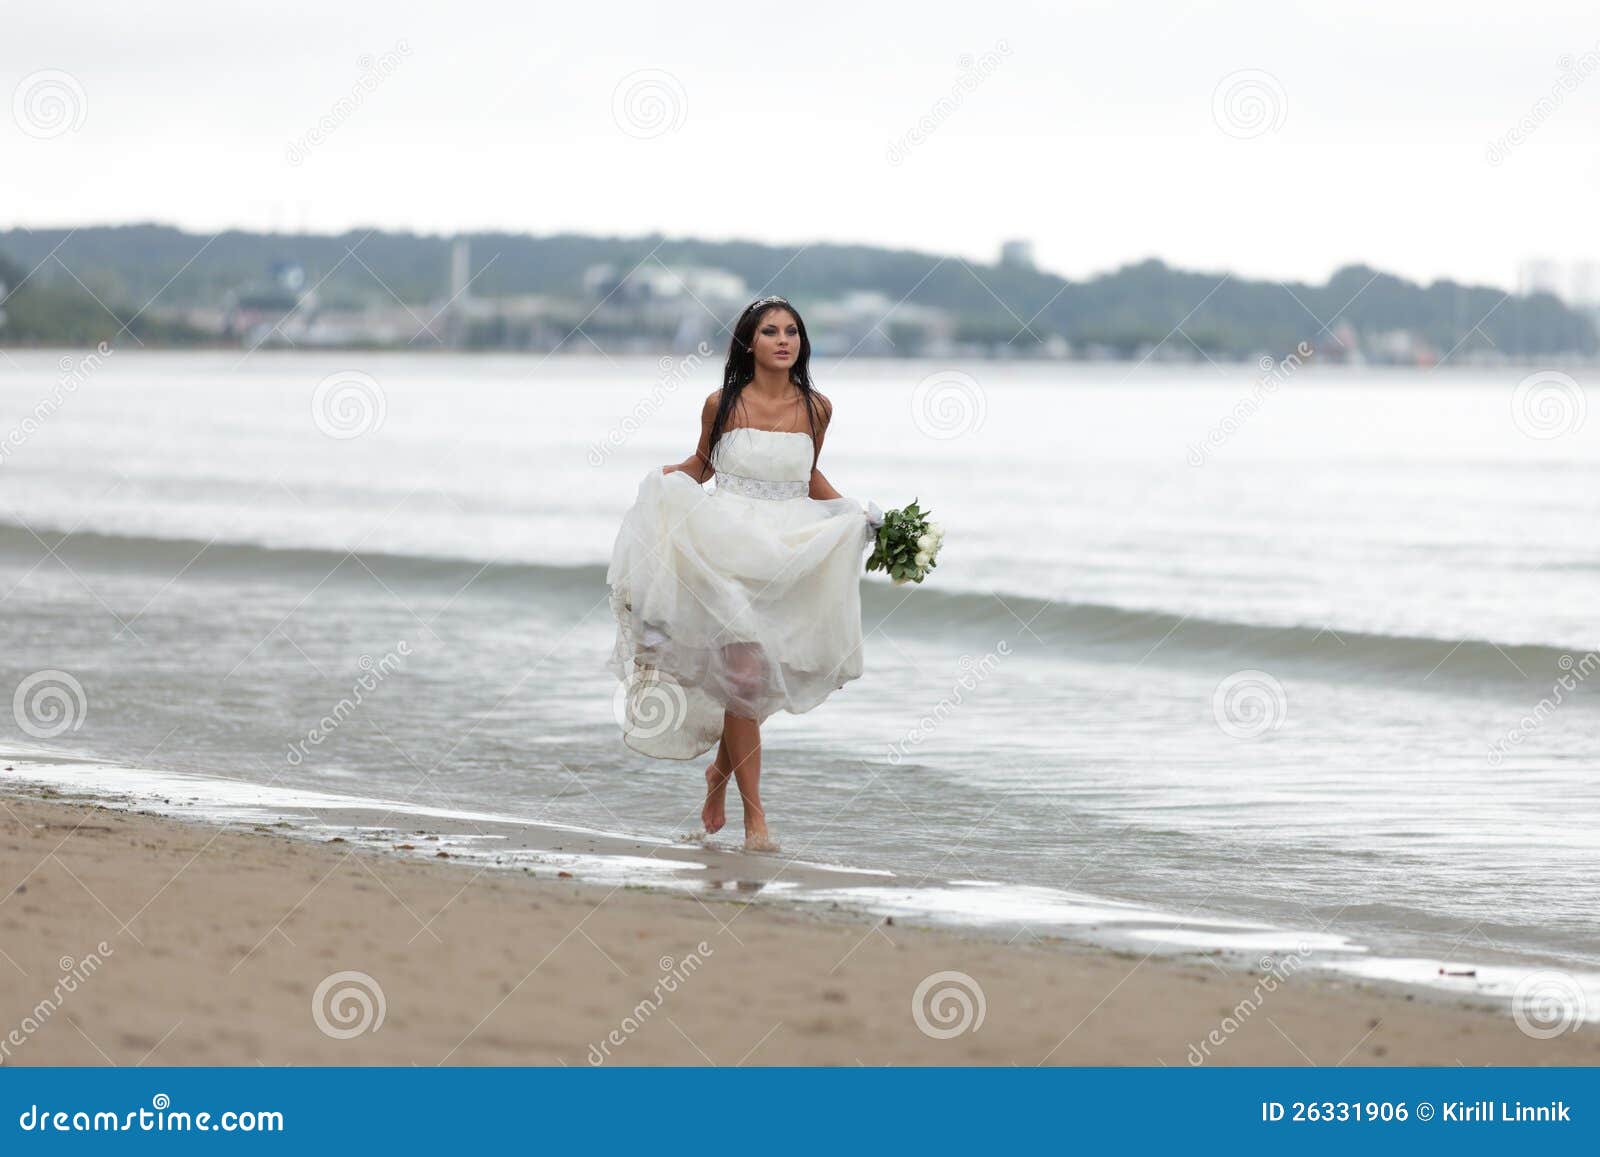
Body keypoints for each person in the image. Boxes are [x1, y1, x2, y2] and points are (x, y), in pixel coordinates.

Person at [605, 295, 882, 851]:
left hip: (784, 553)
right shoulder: (721, 402)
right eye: (771, 332)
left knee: (748, 687)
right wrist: (665, 483)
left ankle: (718, 778)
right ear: (749, 343)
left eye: (793, 333)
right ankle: (757, 821)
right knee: (744, 679)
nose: (784, 341)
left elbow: (807, 477)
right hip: (723, 551)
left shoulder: (818, 407)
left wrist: (859, 512)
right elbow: (702, 465)